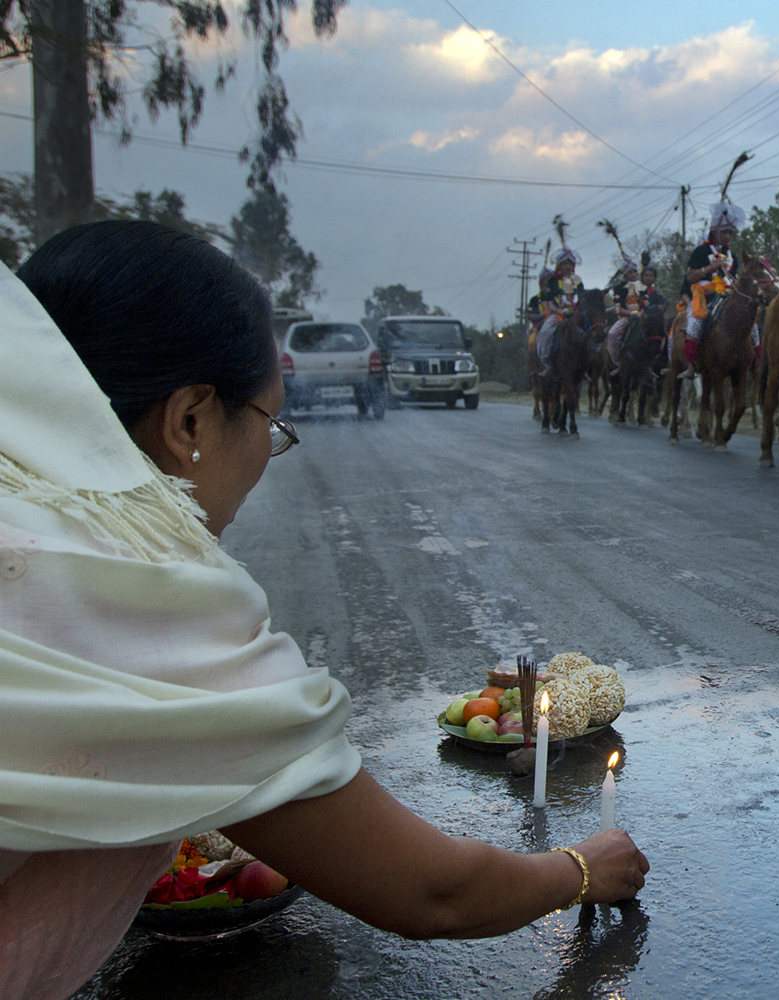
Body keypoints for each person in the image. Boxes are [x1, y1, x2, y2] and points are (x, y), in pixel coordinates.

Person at [0, 221, 649, 1000]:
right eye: (271, 426)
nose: (268, 458)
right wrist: (581, 869)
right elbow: (431, 890)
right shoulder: (135, 591)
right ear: (190, 422)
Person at [678, 203, 742, 379]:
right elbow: (690, 277)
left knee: (750, 322)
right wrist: (709, 268)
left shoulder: (732, 256)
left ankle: (754, 360)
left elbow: (734, 277)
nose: (728, 236)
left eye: (730, 232)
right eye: (724, 232)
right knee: (695, 320)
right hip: (704, 295)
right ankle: (691, 365)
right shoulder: (701, 251)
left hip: (727, 294)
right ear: (715, 232)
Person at [535, 249, 583, 378]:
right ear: (559, 265)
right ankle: (546, 364)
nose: (568, 266)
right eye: (565, 264)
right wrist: (561, 310)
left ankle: (586, 365)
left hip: (575, 314)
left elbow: (581, 297)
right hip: (557, 314)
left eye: (570, 264)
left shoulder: (577, 281)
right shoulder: (553, 280)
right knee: (545, 332)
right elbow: (550, 301)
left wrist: (576, 310)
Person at [605, 258, 643, 375]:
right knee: (612, 334)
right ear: (625, 274)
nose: (633, 274)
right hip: (626, 318)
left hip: (643, 316)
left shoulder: (642, 286)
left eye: (634, 271)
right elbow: (618, 308)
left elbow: (648, 302)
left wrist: (641, 313)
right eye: (630, 272)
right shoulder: (619, 287)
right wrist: (630, 313)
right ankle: (618, 364)